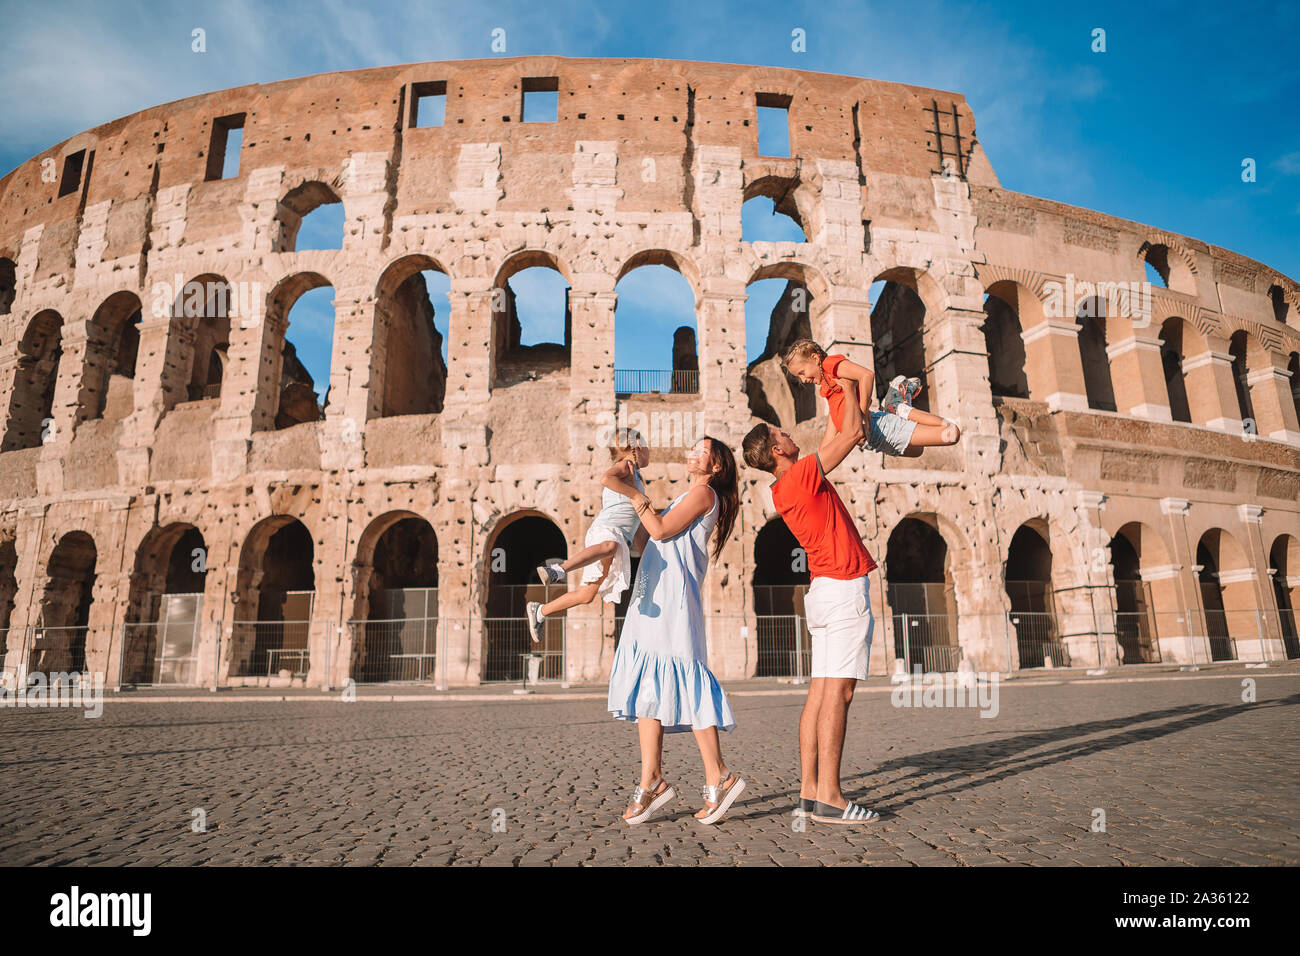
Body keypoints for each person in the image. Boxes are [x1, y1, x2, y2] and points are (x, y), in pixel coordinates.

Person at [742, 379, 882, 825]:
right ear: (776, 449)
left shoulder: (785, 486)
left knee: (820, 692)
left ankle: (808, 791)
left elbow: (831, 437)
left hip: (823, 591)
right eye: (781, 434)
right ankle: (831, 797)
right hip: (841, 589)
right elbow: (852, 435)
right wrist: (854, 389)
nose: (789, 434)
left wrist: (831, 392)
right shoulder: (801, 475)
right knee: (839, 693)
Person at [603, 436, 746, 826]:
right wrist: (632, 500)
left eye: (703, 450)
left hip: (674, 601)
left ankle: (719, 775)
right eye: (695, 448)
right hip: (652, 595)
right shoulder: (687, 495)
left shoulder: (704, 494)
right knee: (649, 682)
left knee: (686, 679)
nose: (693, 453)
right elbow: (645, 537)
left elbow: (662, 530)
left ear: (716, 466)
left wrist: (634, 494)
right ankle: (652, 780)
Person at [527, 429, 649, 644]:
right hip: (606, 532)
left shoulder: (639, 480)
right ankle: (558, 570)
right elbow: (606, 478)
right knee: (610, 545)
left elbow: (638, 525)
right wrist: (636, 495)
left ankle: (541, 611)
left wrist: (647, 556)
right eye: (647, 446)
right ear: (636, 447)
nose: (650, 451)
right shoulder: (626, 466)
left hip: (620, 540)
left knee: (587, 595)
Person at [781, 339, 960, 458]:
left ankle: (899, 408)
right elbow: (833, 427)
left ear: (815, 358)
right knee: (917, 451)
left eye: (802, 372)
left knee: (951, 433)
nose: (803, 380)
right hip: (873, 442)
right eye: (799, 377)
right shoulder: (827, 388)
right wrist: (818, 464)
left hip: (876, 427)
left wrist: (863, 411)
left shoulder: (830, 365)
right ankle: (897, 408)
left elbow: (866, 375)